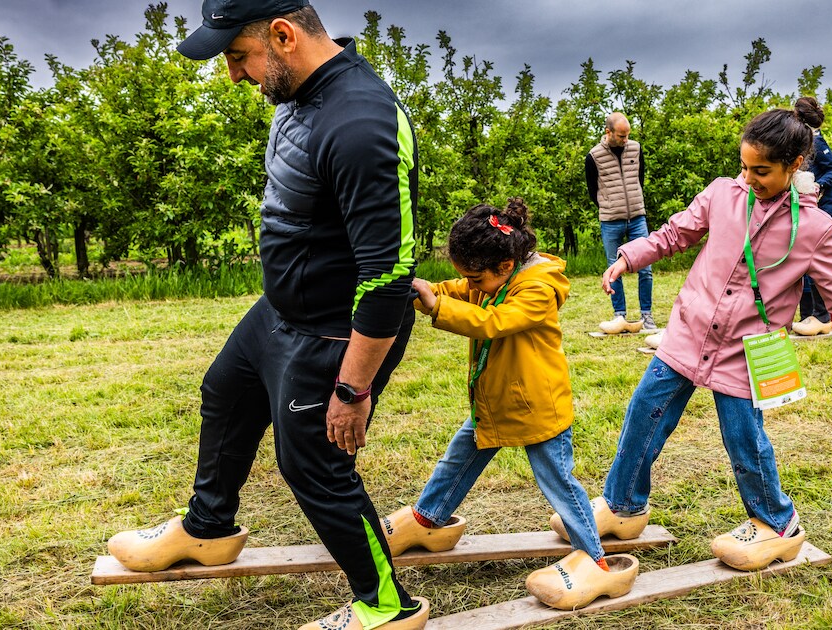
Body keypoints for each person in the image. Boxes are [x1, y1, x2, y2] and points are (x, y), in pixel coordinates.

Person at [105, 1, 429, 628]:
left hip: (337, 330)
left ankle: (387, 608)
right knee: (225, 393)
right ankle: (207, 529)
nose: (232, 75)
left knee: (313, 465)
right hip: (279, 311)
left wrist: (353, 385)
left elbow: (389, 277)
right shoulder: (296, 93)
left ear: (282, 36)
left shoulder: (361, 122)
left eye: (236, 56)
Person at [552, 108, 832, 572]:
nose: (750, 178)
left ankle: (778, 524)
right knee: (644, 413)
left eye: (762, 171)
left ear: (795, 164)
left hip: (746, 350)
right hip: (688, 333)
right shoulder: (722, 193)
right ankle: (623, 507)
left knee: (743, 438)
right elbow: (677, 232)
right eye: (745, 167)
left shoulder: (815, 229)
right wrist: (628, 257)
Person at [386, 199, 639, 611]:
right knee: (458, 459)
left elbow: (494, 323)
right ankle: (428, 518)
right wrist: (427, 292)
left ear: (505, 266)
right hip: (495, 402)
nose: (468, 283)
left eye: (473, 276)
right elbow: (463, 291)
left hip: (537, 408)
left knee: (559, 484)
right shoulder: (495, 276)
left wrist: (437, 308)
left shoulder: (538, 288)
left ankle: (595, 561)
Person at [587, 112, 655, 334]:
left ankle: (647, 315)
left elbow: (641, 179)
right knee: (613, 269)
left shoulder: (636, 148)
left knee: (646, 268)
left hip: (637, 217)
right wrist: (609, 205)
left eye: (627, 135)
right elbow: (592, 191)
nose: (625, 140)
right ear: (608, 132)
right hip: (610, 220)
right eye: (621, 135)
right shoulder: (594, 156)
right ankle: (620, 316)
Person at [791, 96, 832, 336]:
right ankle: (807, 316)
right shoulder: (798, 143)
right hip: (805, 211)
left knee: (817, 265)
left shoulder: (817, 141)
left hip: (824, 210)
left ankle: (822, 316)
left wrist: (817, 186)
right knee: (801, 265)